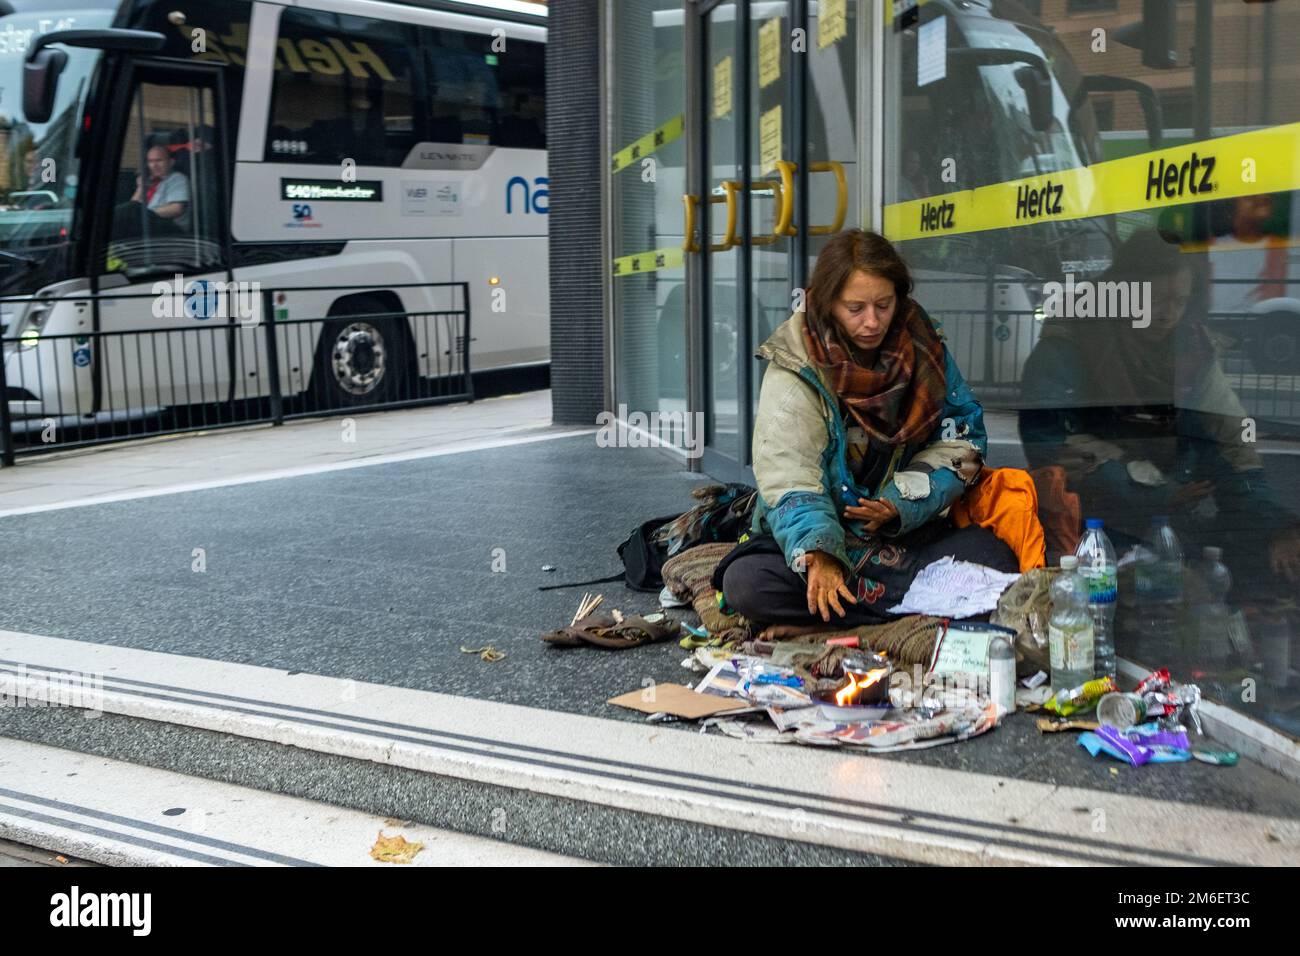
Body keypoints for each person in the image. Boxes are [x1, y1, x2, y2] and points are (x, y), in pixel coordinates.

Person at [716, 229, 1018, 635]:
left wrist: (900, 505)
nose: (872, 321)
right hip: (827, 531)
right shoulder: (796, 366)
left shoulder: (926, 346)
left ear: (900, 298)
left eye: (883, 304)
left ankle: (831, 622)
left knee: (995, 558)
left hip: (903, 532)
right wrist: (822, 553)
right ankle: (914, 610)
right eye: (855, 308)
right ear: (827, 303)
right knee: (746, 584)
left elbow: (963, 440)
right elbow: (789, 476)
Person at [1018, 228, 1300, 594]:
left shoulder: (1193, 351)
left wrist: (1276, 529)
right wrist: (1152, 491)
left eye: (1179, 301)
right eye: (1154, 299)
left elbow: (1233, 446)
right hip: (1092, 529)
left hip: (1176, 519)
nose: (1167, 314)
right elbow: (1054, 446)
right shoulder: (1071, 341)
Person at [128, 145, 191, 230]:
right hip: (148, 226)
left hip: (170, 229)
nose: (154, 165)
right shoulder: (149, 180)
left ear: (171, 162)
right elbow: (132, 207)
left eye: (159, 160)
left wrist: (144, 214)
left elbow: (176, 209)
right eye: (150, 161)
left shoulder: (178, 178)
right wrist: (141, 188)